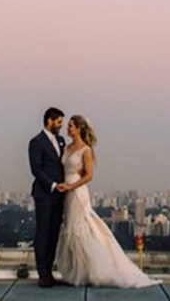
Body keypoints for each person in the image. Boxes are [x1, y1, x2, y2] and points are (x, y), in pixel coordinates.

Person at [54, 115, 158, 288]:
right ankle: (75, 271)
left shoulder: (85, 150)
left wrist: (71, 186)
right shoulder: (67, 147)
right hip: (66, 192)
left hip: (77, 192)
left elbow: (89, 175)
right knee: (70, 227)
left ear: (79, 128)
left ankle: (87, 271)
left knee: (79, 228)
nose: (68, 128)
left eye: (71, 126)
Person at [28, 106, 66, 288]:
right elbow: (36, 169)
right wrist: (52, 185)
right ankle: (43, 273)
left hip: (59, 195)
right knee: (43, 233)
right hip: (44, 194)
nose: (61, 126)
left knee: (53, 233)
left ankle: (49, 271)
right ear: (49, 121)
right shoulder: (36, 142)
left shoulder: (61, 141)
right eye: (59, 122)